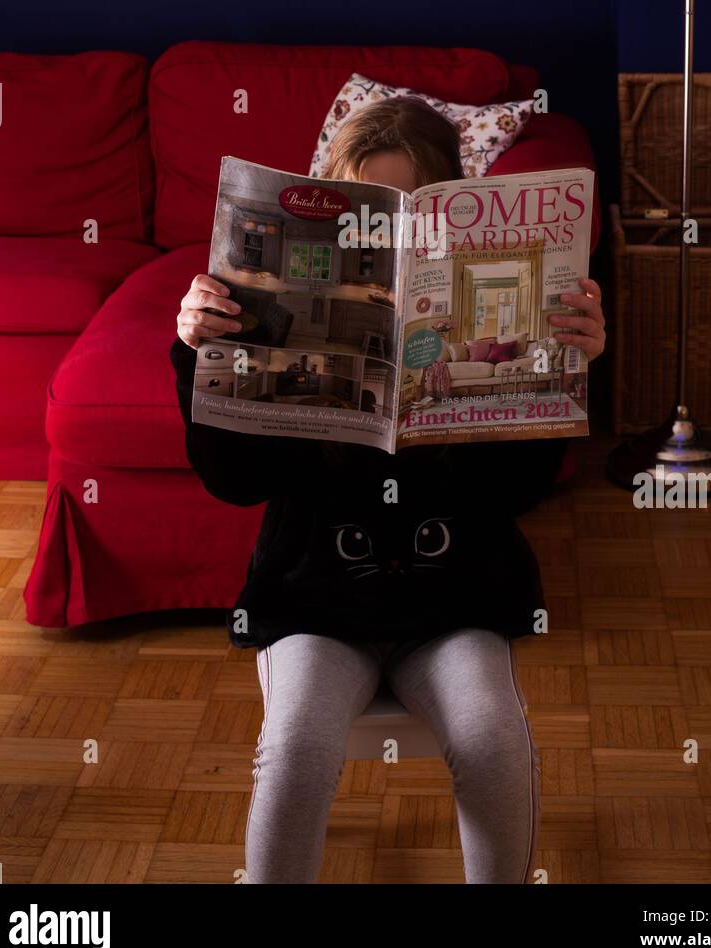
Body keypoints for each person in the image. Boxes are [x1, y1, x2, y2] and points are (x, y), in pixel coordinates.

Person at [171, 97, 606, 884]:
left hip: (454, 597)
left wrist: (566, 370)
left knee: (494, 745)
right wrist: (193, 352)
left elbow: (520, 488)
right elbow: (232, 483)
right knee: (296, 755)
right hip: (313, 598)